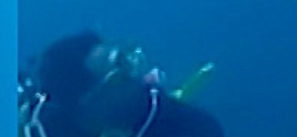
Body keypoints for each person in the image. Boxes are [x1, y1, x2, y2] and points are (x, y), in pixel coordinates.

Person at [21, 31, 224, 137]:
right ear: (90, 102)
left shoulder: (187, 126)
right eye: (121, 66)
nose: (134, 72)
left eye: (127, 57)